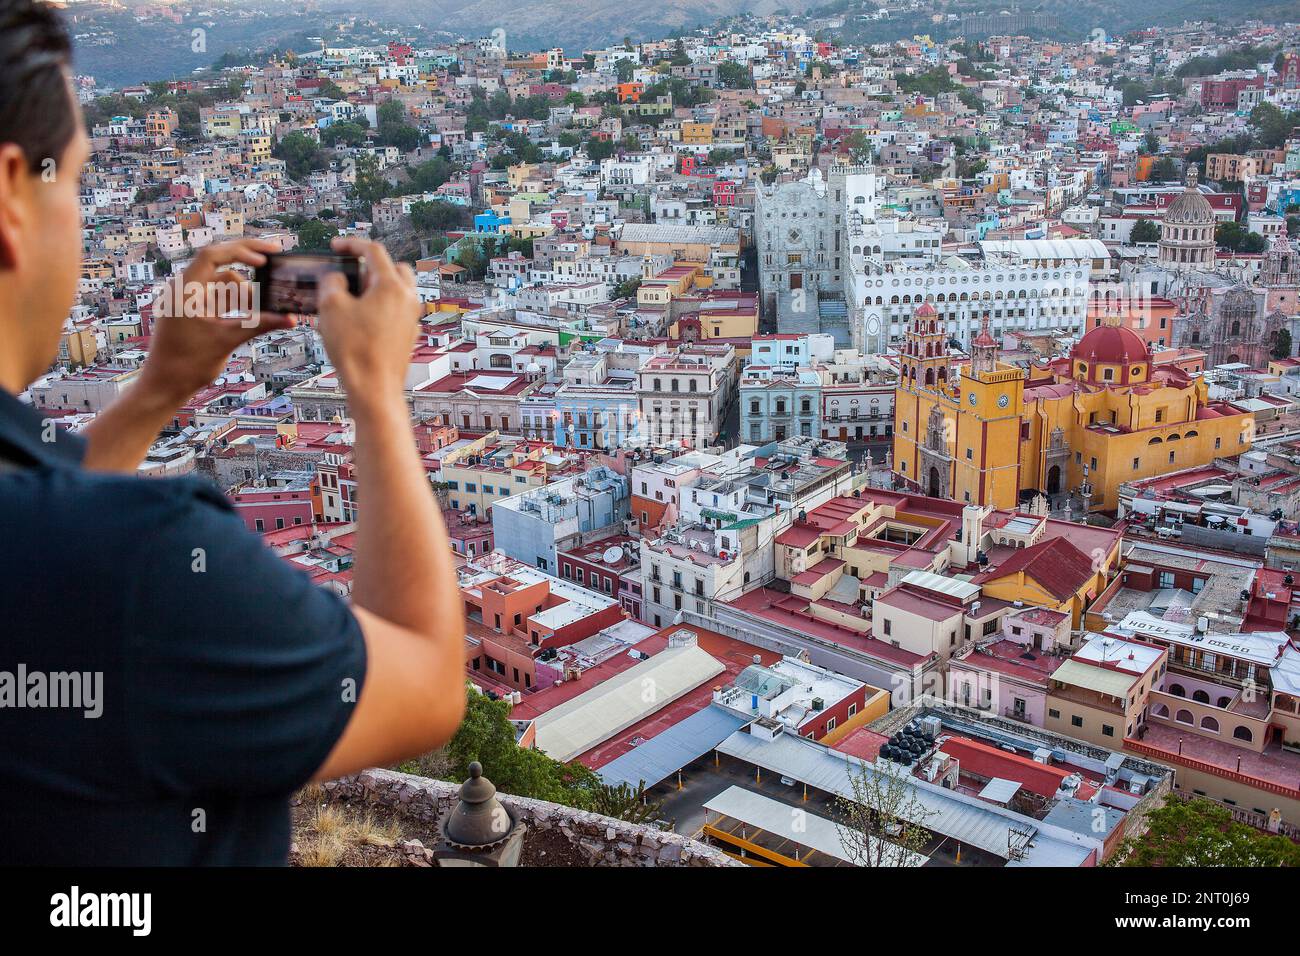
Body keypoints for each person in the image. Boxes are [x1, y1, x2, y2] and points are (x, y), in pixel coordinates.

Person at [0, 0, 465, 864]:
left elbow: (43, 526)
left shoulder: (52, 529)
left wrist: (159, 390)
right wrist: (374, 390)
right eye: (71, 179)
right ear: (10, 198)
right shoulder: (146, 564)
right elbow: (428, 682)